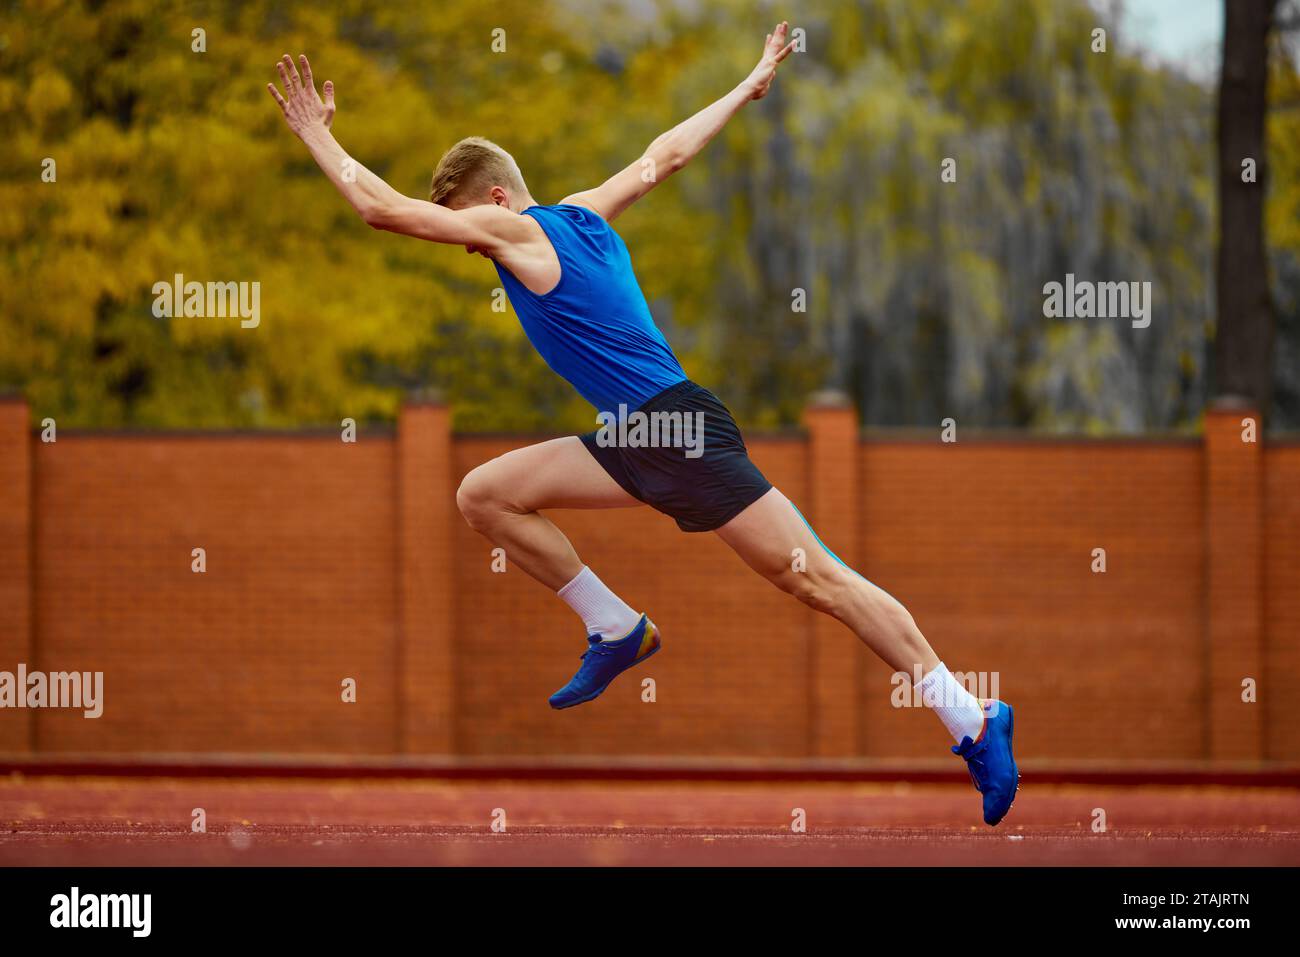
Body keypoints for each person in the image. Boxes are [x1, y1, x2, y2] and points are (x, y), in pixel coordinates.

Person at [267, 22, 1018, 825]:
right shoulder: (583, 215)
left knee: (817, 579)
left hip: (678, 432)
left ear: (495, 201)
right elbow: (666, 155)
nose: (471, 248)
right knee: (484, 494)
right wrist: (747, 84)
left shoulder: (516, 230)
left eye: (466, 229)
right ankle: (616, 626)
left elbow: (382, 210)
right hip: (638, 436)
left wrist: (317, 136)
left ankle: (972, 717)